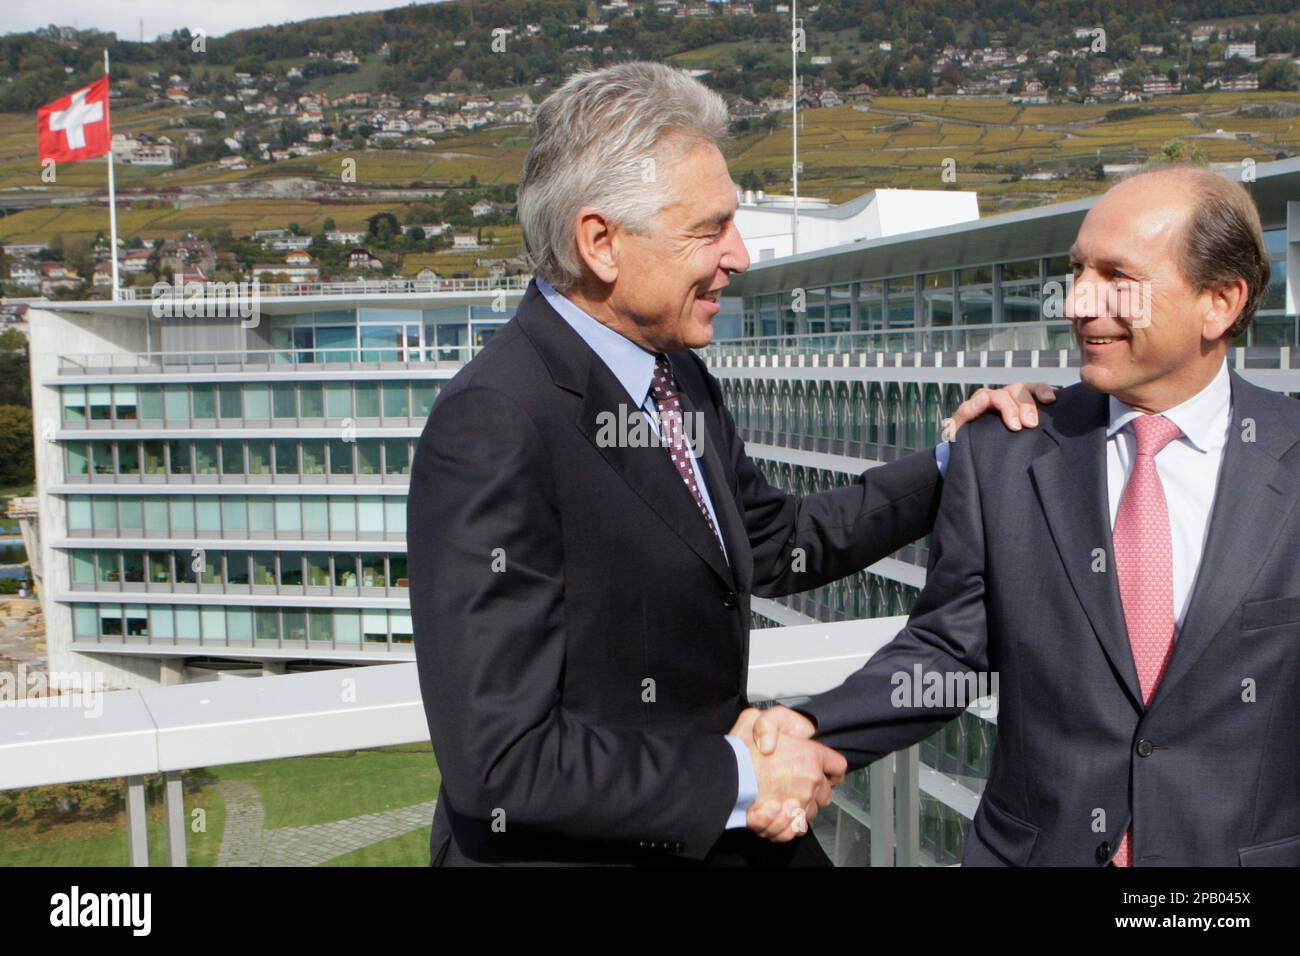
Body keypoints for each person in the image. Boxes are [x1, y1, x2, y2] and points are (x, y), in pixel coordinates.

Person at [408, 61, 1051, 867]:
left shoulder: (675, 377)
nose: (739, 256)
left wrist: (958, 461)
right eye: (709, 230)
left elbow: (774, 542)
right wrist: (743, 772)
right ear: (600, 241)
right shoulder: (494, 422)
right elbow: (502, 764)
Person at [746, 163, 1297, 866]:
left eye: (1114, 277)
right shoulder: (1006, 450)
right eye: (1075, 272)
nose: (1076, 302)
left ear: (1219, 302)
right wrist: (810, 729)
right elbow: (948, 650)